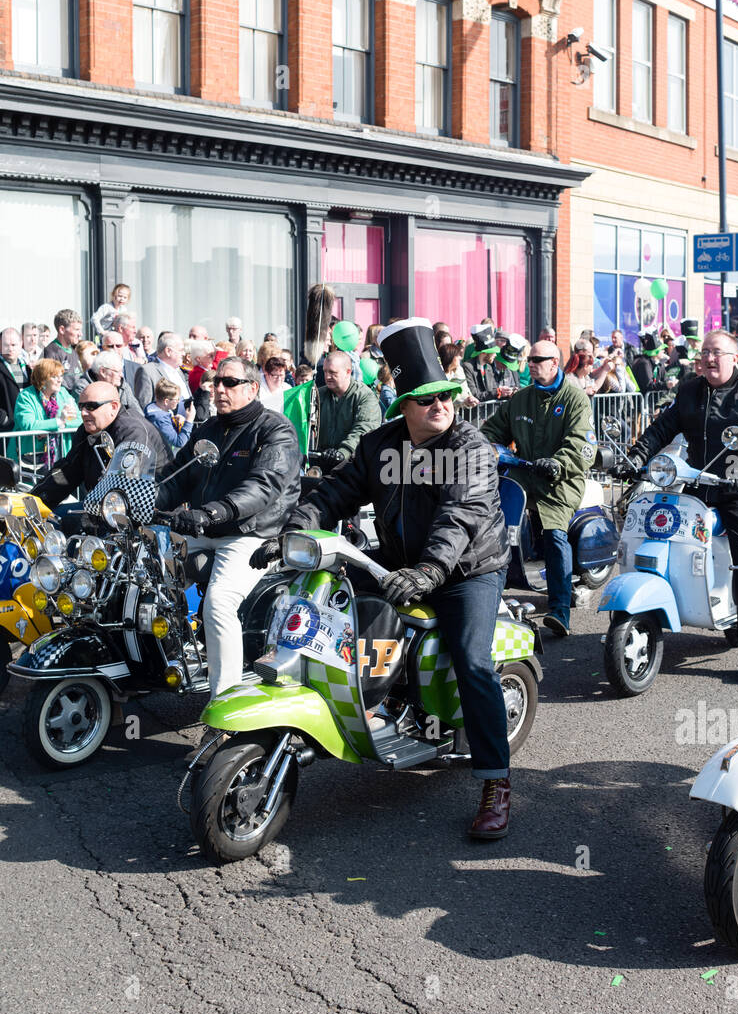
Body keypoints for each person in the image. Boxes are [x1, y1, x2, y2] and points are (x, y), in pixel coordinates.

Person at [257, 318, 514, 840]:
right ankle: (369, 701)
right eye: (426, 399)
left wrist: (429, 571)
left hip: (467, 570)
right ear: (404, 404)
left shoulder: (472, 449)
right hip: (399, 564)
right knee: (339, 606)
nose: (440, 406)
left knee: (472, 660)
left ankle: (495, 782)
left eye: (445, 395)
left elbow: (460, 517)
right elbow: (334, 493)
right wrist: (292, 531)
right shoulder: (380, 446)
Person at [621, 329, 738, 675]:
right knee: (663, 528)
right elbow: (662, 427)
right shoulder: (689, 390)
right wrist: (636, 457)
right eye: (704, 352)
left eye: (716, 353)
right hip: (699, 485)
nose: (708, 358)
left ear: (735, 358)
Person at [157, 356, 300, 699]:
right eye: (217, 382)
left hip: (252, 534)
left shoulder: (274, 429)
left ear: (252, 388)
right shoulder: (207, 428)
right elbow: (176, 476)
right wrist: (142, 498)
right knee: (146, 579)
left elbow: (263, 487)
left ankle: (225, 701)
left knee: (219, 602)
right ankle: (149, 670)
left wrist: (212, 513)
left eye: (230, 383)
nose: (220, 388)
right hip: (206, 529)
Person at [481, 339, 598, 638]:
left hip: (561, 481)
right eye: (529, 359)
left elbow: (581, 444)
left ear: (554, 363)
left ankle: (560, 610)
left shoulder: (575, 399)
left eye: (537, 359)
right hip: (524, 476)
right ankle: (491, 599)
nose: (531, 363)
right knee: (494, 527)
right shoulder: (521, 399)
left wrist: (558, 463)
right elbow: (492, 430)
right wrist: (485, 447)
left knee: (555, 535)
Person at [30, 381, 167, 514]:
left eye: (90, 406)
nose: (83, 413)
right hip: (105, 506)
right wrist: (33, 500)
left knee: (68, 521)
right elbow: (67, 473)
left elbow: (124, 488)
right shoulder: (86, 431)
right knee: (51, 518)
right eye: (81, 407)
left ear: (113, 407)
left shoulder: (132, 431)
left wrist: (87, 520)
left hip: (147, 513)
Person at [317, 349, 381, 465]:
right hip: (321, 461)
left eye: (332, 372)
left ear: (348, 372)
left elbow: (364, 428)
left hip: (353, 464)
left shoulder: (364, 396)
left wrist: (343, 452)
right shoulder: (318, 395)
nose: (327, 376)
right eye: (325, 371)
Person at [13, 358, 80, 467]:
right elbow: (29, 425)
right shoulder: (26, 396)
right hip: (31, 458)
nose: (60, 380)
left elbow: (79, 420)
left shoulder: (63, 393)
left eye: (61, 376)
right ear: (42, 379)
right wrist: (58, 422)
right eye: (54, 376)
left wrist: (62, 424)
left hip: (62, 453)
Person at [134, 331, 193, 413]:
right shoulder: (147, 371)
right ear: (168, 351)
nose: (183, 354)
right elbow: (144, 406)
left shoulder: (179, 371)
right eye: (181, 350)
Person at [74, 348, 143, 415]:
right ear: (103, 372)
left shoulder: (123, 386)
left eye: (121, 371)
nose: (121, 375)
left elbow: (138, 413)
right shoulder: (84, 388)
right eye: (117, 372)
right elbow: (93, 416)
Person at [145, 377, 193, 454]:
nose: (178, 402)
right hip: (162, 460)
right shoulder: (160, 419)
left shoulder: (155, 409)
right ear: (166, 401)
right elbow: (179, 442)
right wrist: (189, 421)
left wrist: (173, 420)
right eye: (176, 399)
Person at [43, 309, 84, 390]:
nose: (80, 334)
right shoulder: (51, 352)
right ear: (62, 330)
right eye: (76, 330)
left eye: (80, 330)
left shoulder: (74, 351)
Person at [0, 327, 32, 431]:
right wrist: (4, 419)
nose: (10, 348)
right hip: (6, 431)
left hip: (25, 429)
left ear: (21, 344)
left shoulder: (25, 368)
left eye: (13, 345)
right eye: (6, 345)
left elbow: (21, 390)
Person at [257, 343, 290, 413]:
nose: (279, 378)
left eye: (281, 375)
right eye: (275, 375)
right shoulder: (257, 387)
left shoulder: (287, 388)